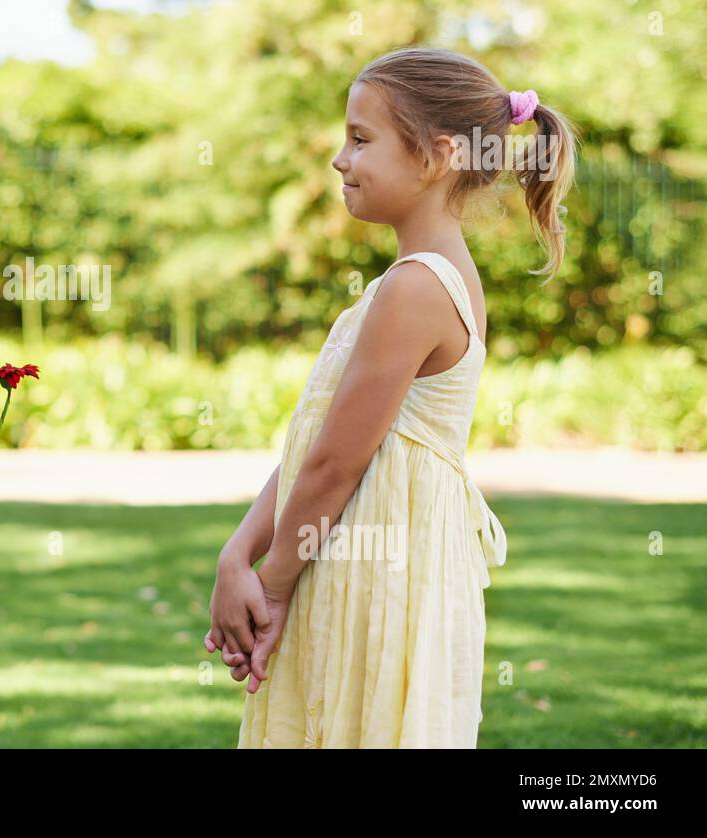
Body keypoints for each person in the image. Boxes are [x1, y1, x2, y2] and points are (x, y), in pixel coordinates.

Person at [205, 46, 576, 747]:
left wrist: (274, 583)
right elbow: (326, 446)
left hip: (377, 574)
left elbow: (334, 467)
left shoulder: (416, 288)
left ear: (436, 156)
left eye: (360, 139)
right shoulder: (416, 279)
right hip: (356, 555)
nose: (340, 160)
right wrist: (239, 551)